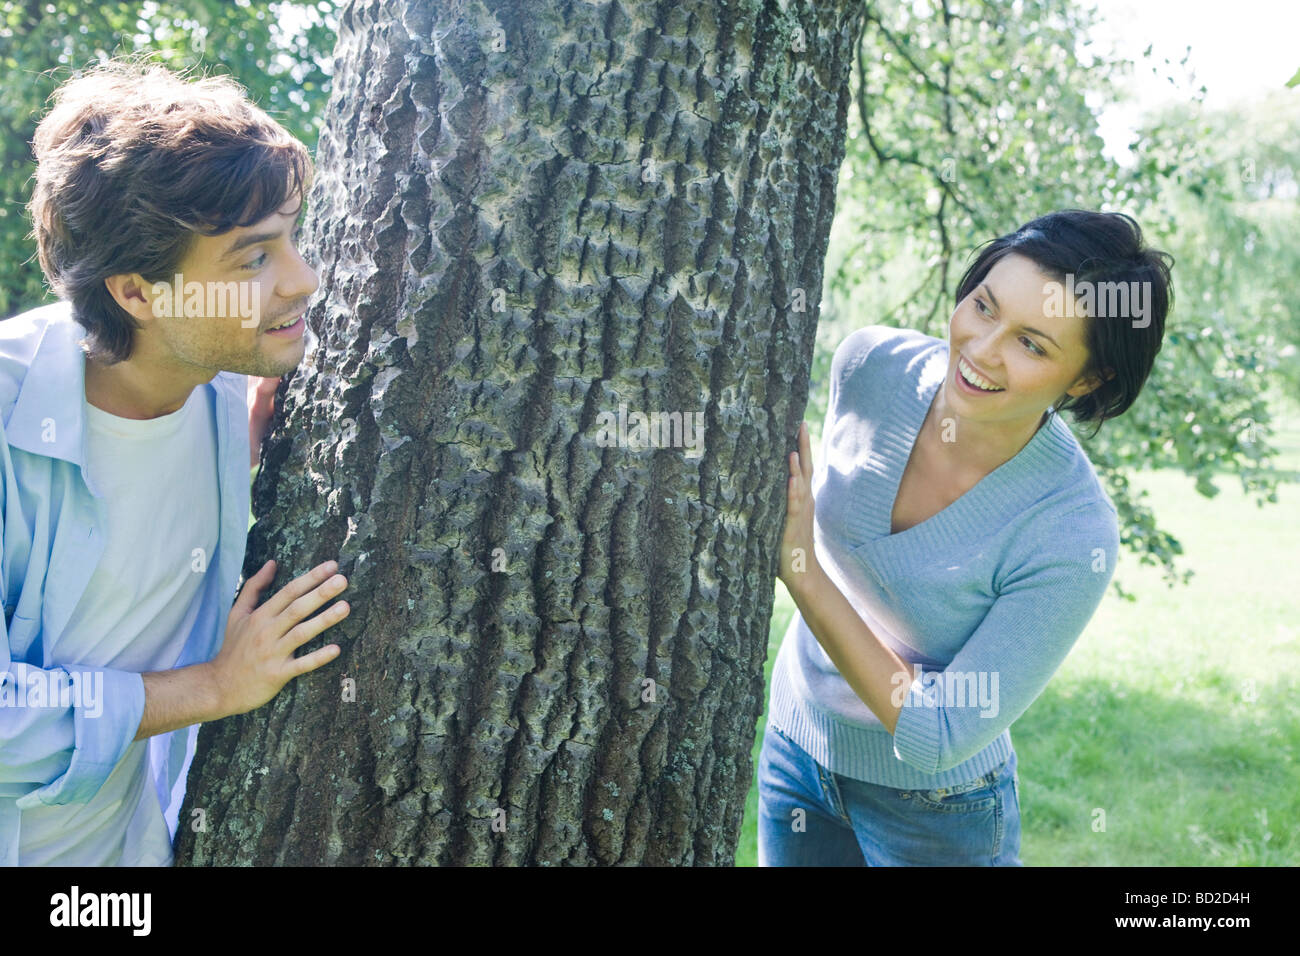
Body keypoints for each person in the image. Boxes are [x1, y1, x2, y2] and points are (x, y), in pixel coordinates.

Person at [0, 59, 350, 865]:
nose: (306, 280)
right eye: (252, 260)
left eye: (291, 239)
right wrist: (215, 689)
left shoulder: (230, 383)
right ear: (138, 294)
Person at [764, 210, 1174, 865]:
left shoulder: (1070, 532)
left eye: (1032, 344)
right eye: (983, 306)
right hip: (794, 750)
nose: (982, 350)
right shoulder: (870, 367)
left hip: (937, 813)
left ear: (1088, 380)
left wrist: (802, 571)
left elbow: (938, 733)